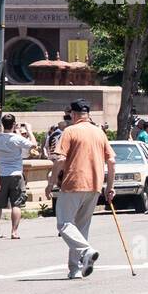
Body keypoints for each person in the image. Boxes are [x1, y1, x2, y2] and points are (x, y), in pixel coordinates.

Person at [48, 99, 115, 278]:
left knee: (64, 224)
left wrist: (51, 182)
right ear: (87, 114)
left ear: (73, 114)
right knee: (81, 227)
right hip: (95, 185)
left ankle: (85, 252)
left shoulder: (69, 131)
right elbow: (111, 160)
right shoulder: (99, 132)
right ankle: (75, 268)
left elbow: (60, 160)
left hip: (73, 183)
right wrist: (110, 186)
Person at [0, 113, 37, 240]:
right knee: (16, 204)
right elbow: (33, 145)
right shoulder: (17, 138)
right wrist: (29, 130)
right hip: (16, 174)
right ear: (14, 124)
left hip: (1, 174)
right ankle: (14, 232)